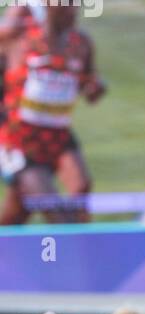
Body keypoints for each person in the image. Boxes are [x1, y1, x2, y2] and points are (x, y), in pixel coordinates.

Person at [0, 5, 105, 225]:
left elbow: (89, 84)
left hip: (58, 134)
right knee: (51, 207)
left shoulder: (80, 44)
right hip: (19, 139)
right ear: (48, 7)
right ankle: (75, 250)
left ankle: (84, 250)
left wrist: (95, 87)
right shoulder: (19, 40)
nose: (74, 10)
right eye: (66, 6)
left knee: (80, 188)